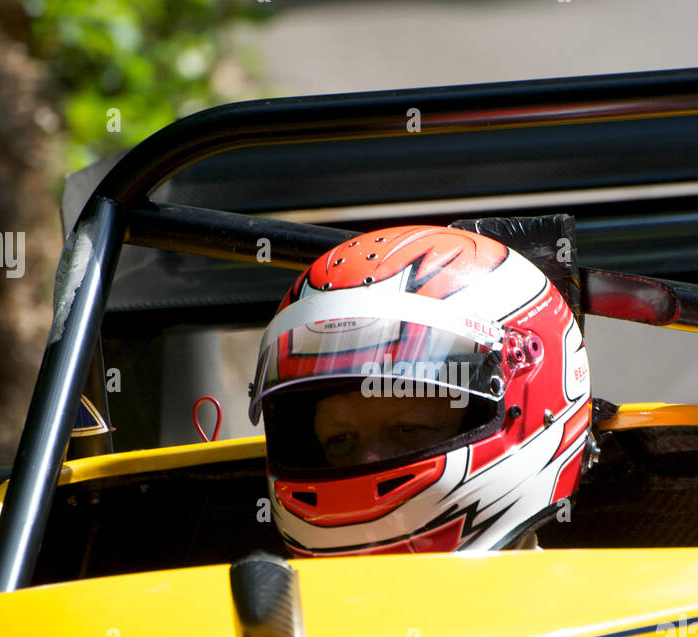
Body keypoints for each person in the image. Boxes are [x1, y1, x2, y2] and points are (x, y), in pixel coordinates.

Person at [248, 224, 592, 557]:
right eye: (340, 441)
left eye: (408, 430)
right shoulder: (254, 607)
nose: (370, 460)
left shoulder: (615, 609)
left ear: (530, 408)